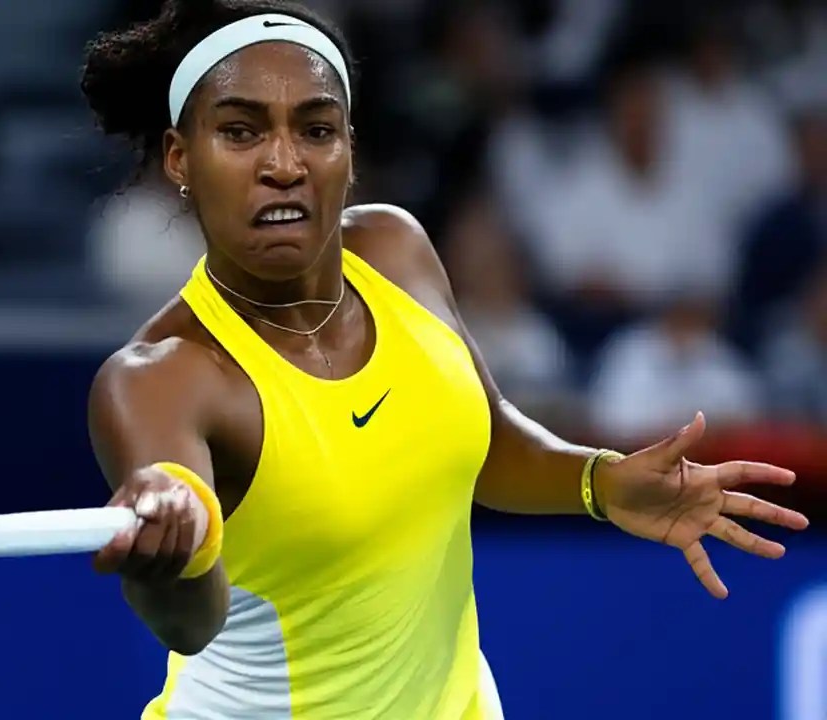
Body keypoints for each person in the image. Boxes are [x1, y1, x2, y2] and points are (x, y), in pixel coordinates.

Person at [79, 2, 809, 718]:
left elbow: (482, 440)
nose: (284, 163)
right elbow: (188, 623)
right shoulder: (159, 377)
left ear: (349, 148)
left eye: (316, 129)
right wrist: (172, 558)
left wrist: (598, 481)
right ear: (181, 157)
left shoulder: (394, 249)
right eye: (240, 132)